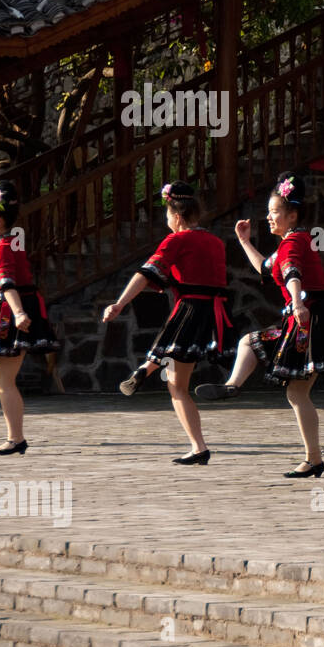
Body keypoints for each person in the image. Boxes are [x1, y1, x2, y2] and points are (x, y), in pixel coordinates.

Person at [195, 172, 324, 478]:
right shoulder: (291, 241)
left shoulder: (295, 242)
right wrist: (244, 241)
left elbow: (292, 272)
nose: (269, 218)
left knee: (297, 393)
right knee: (251, 344)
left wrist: (298, 303)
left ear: (292, 215)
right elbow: (266, 267)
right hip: (305, 316)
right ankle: (232, 387)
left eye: (274, 213)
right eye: (269, 212)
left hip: (309, 316)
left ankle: (314, 459)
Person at [103, 181, 235, 466]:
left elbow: (145, 274)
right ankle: (148, 368)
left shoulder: (176, 240)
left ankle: (197, 445)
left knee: (176, 385)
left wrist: (120, 303)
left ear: (176, 216)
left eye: (166, 215)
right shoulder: (215, 242)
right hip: (215, 314)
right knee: (175, 371)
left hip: (187, 311)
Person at [0, 180, 60, 455]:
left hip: (11, 315)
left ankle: (16, 438)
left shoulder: (3, 247)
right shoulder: (1, 244)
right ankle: (16, 438)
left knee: (2, 380)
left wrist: (20, 312)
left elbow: (8, 284)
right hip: (5, 312)